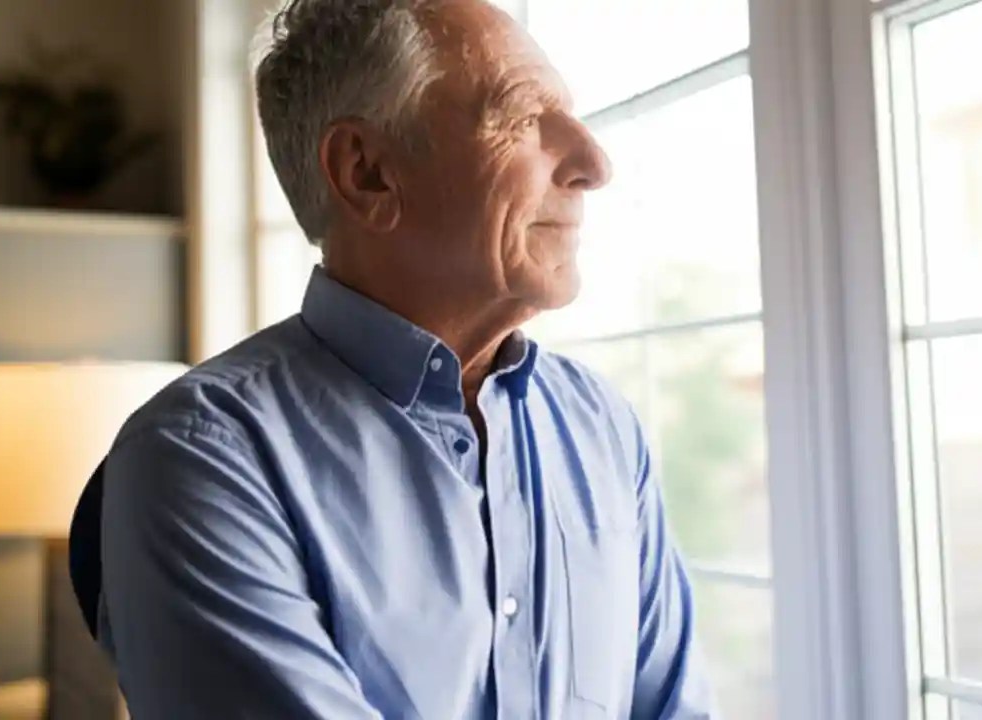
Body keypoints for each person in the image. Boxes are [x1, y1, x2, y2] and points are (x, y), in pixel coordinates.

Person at [88, 0, 713, 717]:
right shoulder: (199, 457)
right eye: (520, 115)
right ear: (367, 173)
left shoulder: (601, 427)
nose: (593, 163)